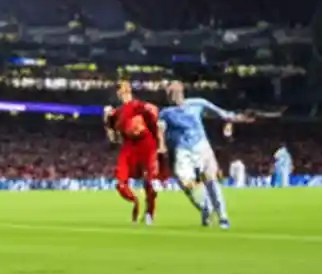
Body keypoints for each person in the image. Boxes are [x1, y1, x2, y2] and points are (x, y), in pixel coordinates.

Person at [158, 82, 248, 229]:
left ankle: (223, 217)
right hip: (183, 151)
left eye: (173, 92)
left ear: (181, 91)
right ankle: (205, 207)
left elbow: (221, 113)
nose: (171, 96)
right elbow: (160, 129)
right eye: (169, 93)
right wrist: (161, 145)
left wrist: (233, 118)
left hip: (202, 146)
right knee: (186, 184)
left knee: (211, 180)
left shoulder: (197, 104)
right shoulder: (166, 113)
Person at [104, 80, 160, 225]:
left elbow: (154, 111)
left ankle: (149, 213)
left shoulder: (138, 105)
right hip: (129, 145)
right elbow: (113, 139)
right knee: (120, 183)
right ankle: (136, 203)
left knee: (149, 182)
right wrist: (106, 121)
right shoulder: (116, 113)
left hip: (145, 144)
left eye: (123, 88)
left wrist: (158, 139)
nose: (121, 92)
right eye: (119, 90)